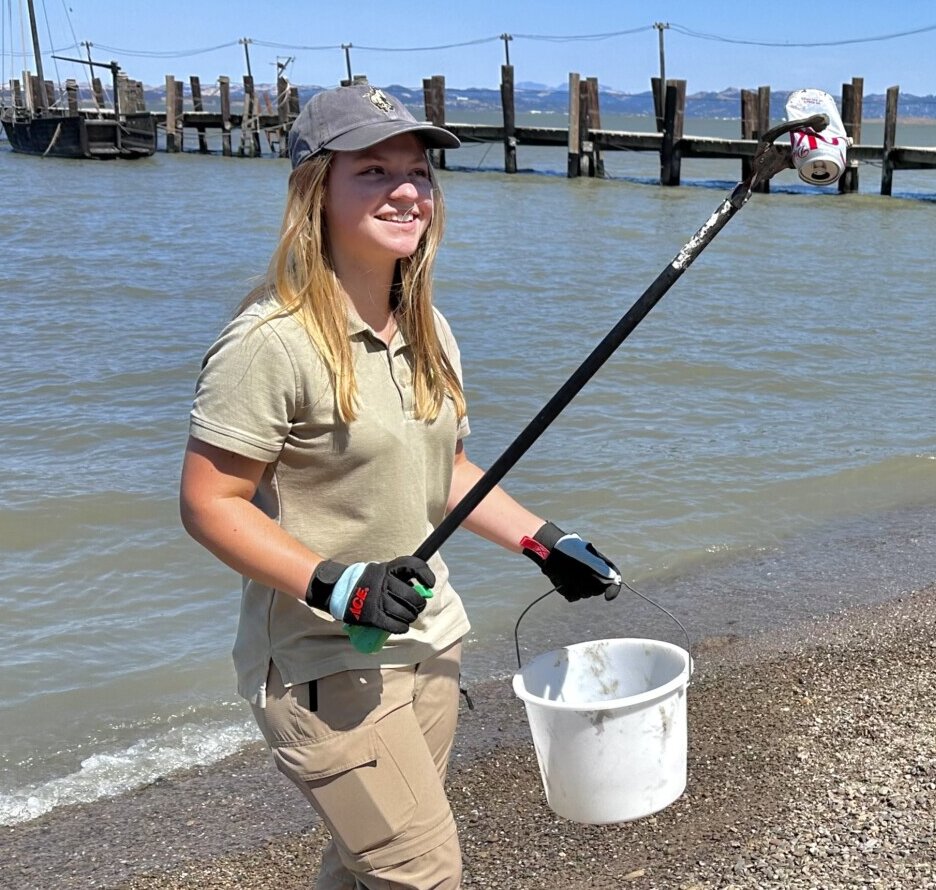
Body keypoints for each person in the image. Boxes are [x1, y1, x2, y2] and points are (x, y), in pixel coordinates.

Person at [179, 83, 622, 890]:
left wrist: (543, 541)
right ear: (317, 188)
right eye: (374, 170)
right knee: (422, 872)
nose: (407, 190)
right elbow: (210, 504)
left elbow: (444, 469)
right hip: (325, 664)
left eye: (419, 172)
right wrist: (337, 584)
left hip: (430, 640)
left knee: (366, 865)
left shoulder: (427, 328)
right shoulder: (268, 343)